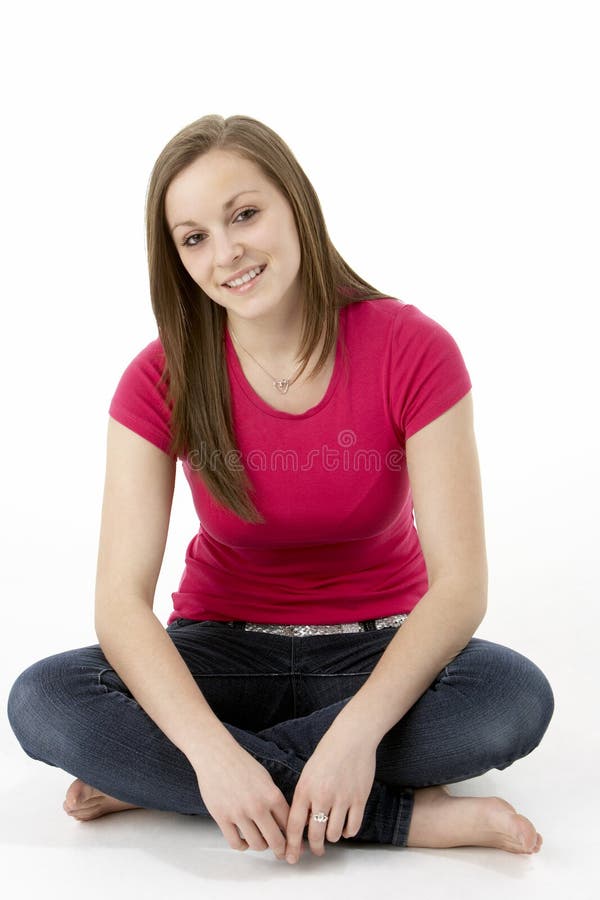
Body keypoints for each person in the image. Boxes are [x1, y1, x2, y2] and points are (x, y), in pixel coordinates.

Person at [7, 113, 554, 865]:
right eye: (194, 237)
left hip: (376, 652)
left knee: (512, 698)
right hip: (220, 654)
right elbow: (118, 605)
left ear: (295, 204)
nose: (227, 252)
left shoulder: (411, 348)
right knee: (44, 701)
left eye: (245, 215)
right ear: (176, 257)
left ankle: (167, 780)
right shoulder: (158, 376)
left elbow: (460, 587)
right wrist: (211, 755)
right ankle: (393, 818)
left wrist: (355, 734)